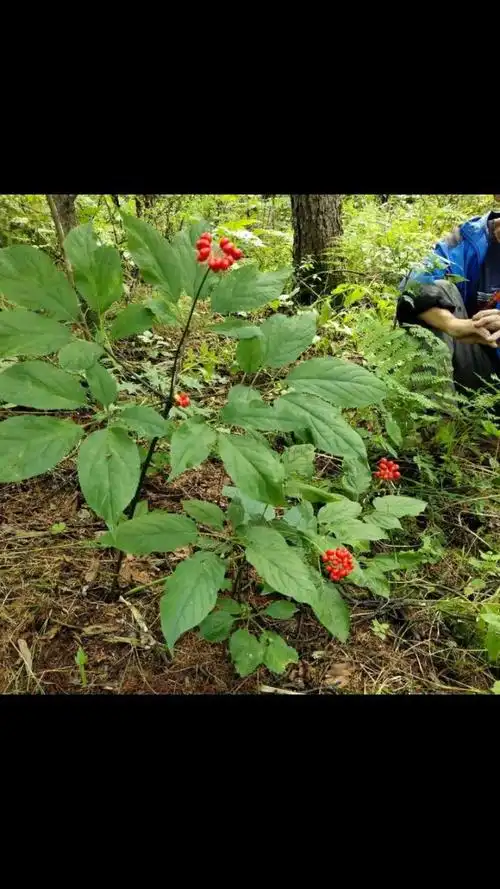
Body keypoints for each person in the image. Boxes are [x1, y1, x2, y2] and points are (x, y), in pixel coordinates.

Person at [396, 196, 500, 393]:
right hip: (478, 368)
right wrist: (455, 325)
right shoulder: (468, 240)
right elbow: (411, 287)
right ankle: (439, 416)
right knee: (438, 290)